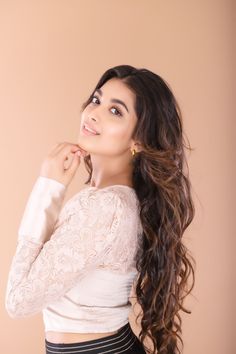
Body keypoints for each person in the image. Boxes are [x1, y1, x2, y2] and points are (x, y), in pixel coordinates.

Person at [5, 64, 195, 354]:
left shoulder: (105, 206)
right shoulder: (118, 200)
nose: (93, 113)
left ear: (139, 140)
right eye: (96, 100)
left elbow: (18, 301)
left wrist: (48, 189)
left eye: (116, 111)